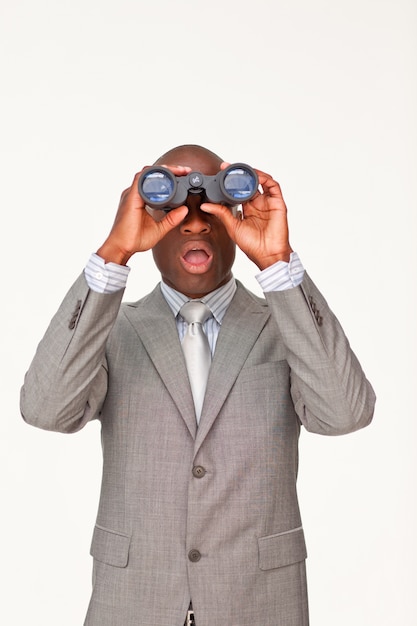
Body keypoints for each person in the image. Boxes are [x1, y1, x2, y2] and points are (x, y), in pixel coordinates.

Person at [20, 144, 376, 626]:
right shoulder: (112, 331)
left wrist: (278, 263)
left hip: (258, 604)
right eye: (174, 209)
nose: (194, 223)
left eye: (213, 206)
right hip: (134, 603)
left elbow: (346, 413)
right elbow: (45, 408)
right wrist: (115, 252)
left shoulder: (283, 326)